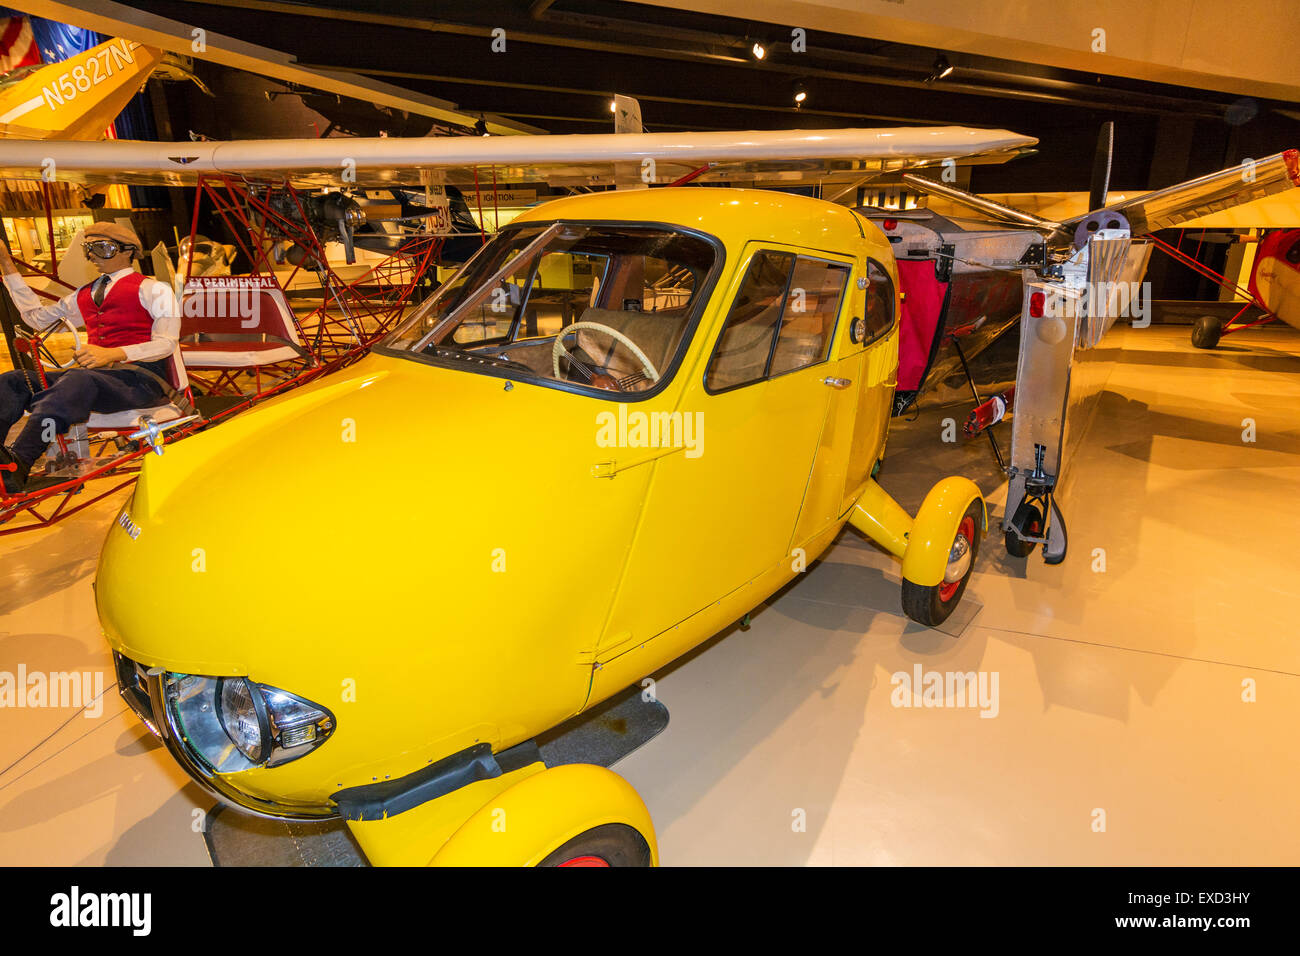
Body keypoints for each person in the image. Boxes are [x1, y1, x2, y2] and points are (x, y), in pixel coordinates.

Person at [0, 221, 180, 493]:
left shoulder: (155, 290)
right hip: (97, 380)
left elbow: (166, 343)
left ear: (128, 251)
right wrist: (7, 265)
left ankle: (21, 461)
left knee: (77, 380)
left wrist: (114, 353)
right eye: (88, 248)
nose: (92, 256)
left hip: (140, 381)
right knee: (14, 381)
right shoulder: (83, 295)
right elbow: (37, 320)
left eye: (102, 248)